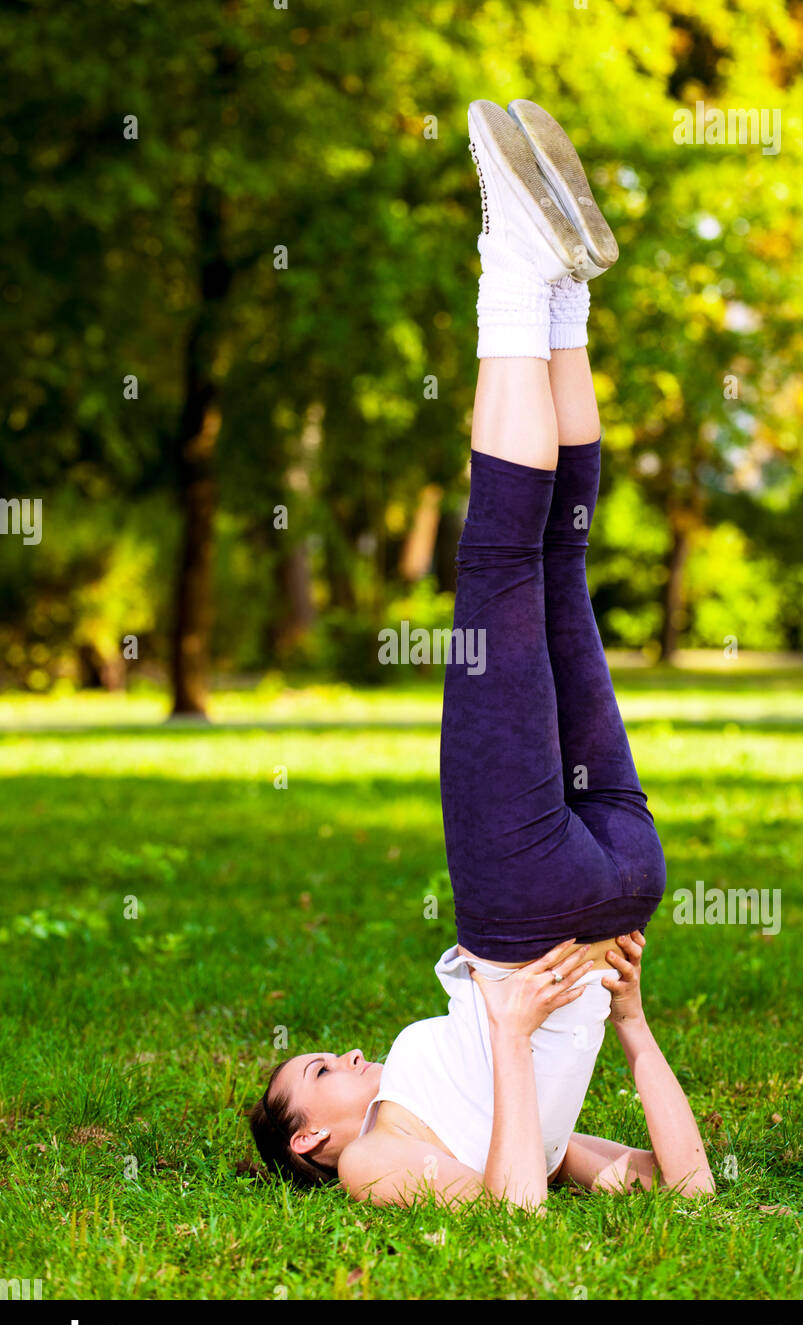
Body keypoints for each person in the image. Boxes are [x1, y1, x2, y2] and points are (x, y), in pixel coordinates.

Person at [249, 99, 716, 1213]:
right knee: (501, 566)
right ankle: (511, 263)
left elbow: (666, 1183)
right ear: (311, 1138)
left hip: (617, 882)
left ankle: (562, 297)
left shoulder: (441, 1099)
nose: (341, 1054)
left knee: (560, 565)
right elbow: (513, 1214)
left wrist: (628, 1026)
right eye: (318, 1070)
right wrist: (526, 1030)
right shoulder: (369, 1165)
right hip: (535, 905)